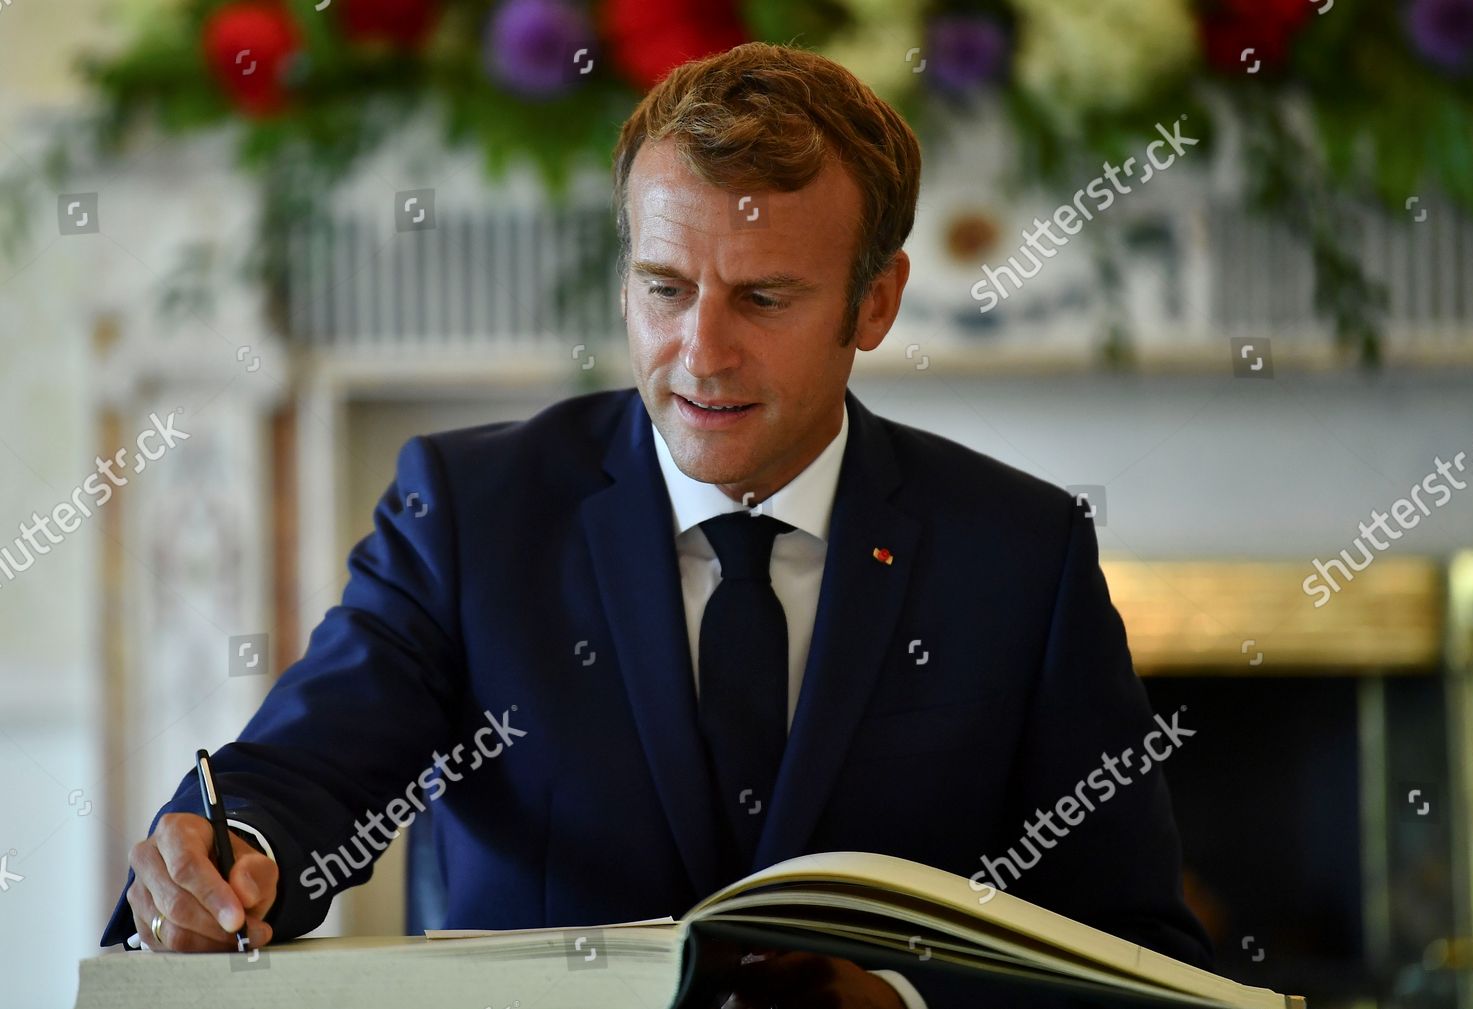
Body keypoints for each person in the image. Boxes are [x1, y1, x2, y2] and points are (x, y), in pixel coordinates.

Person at [100, 41, 1212, 1009]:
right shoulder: (467, 513)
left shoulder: (1022, 555)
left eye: (765, 298)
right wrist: (234, 853)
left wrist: (905, 999)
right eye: (665, 288)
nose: (701, 353)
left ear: (875, 302)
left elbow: (1138, 953)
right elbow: (307, 776)